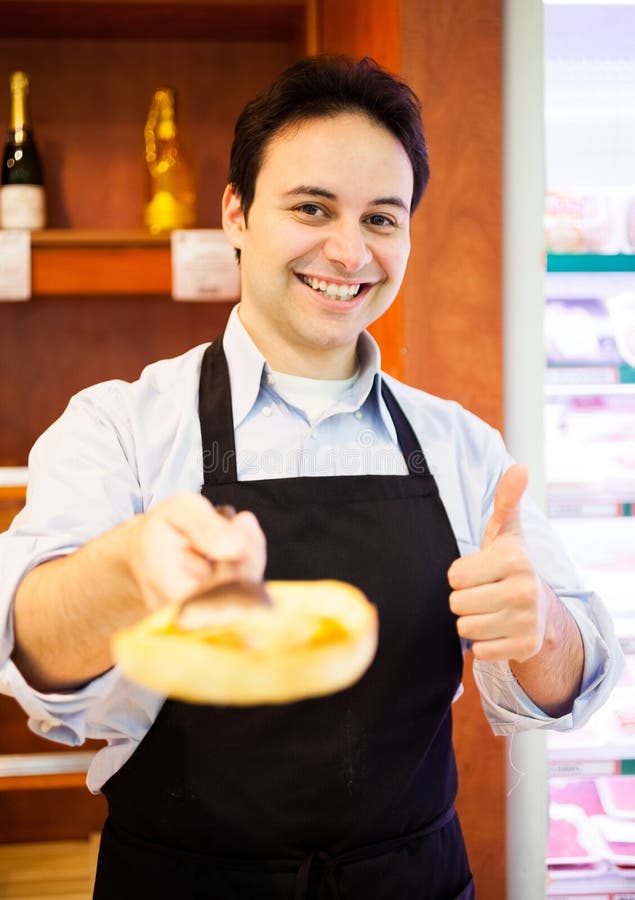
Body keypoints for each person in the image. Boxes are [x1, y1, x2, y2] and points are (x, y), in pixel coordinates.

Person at [0, 55, 623, 900]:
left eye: (381, 218)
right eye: (311, 208)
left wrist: (542, 625)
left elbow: (569, 682)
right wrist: (128, 566)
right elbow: (31, 651)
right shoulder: (122, 425)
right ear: (236, 212)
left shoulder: (462, 445)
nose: (348, 250)